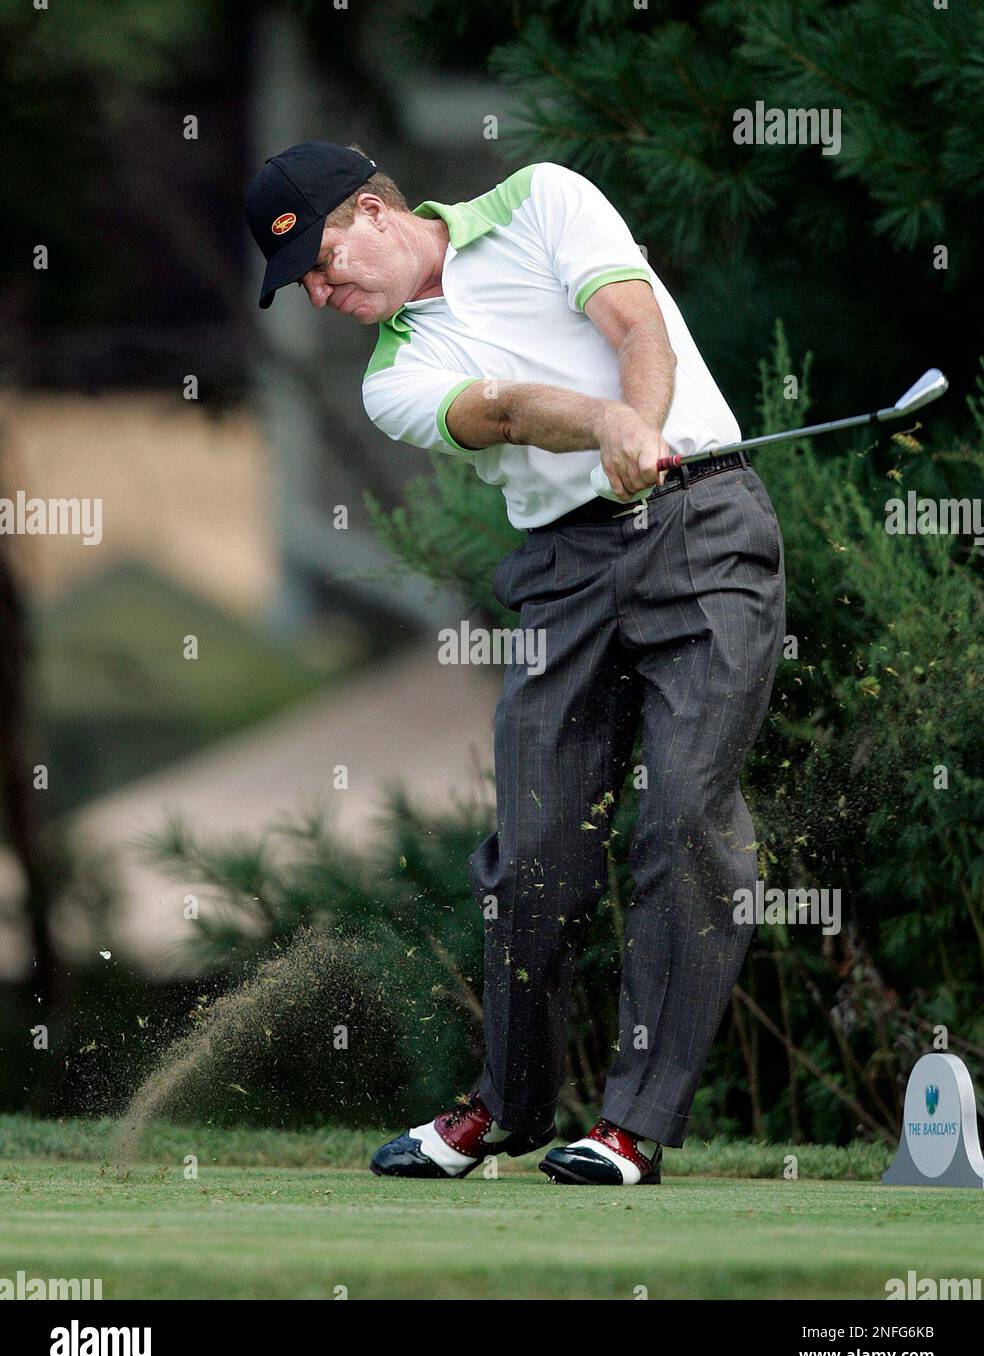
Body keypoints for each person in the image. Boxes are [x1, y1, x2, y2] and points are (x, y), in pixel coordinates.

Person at [246, 141, 785, 1186]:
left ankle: (631, 1127)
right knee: (533, 847)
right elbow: (500, 410)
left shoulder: (541, 199)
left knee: (684, 817)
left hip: (705, 529)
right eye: (303, 283)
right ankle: (508, 1104)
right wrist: (608, 426)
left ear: (372, 211)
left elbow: (637, 322)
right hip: (565, 570)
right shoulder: (394, 378)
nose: (319, 291)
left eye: (319, 260)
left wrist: (645, 420)